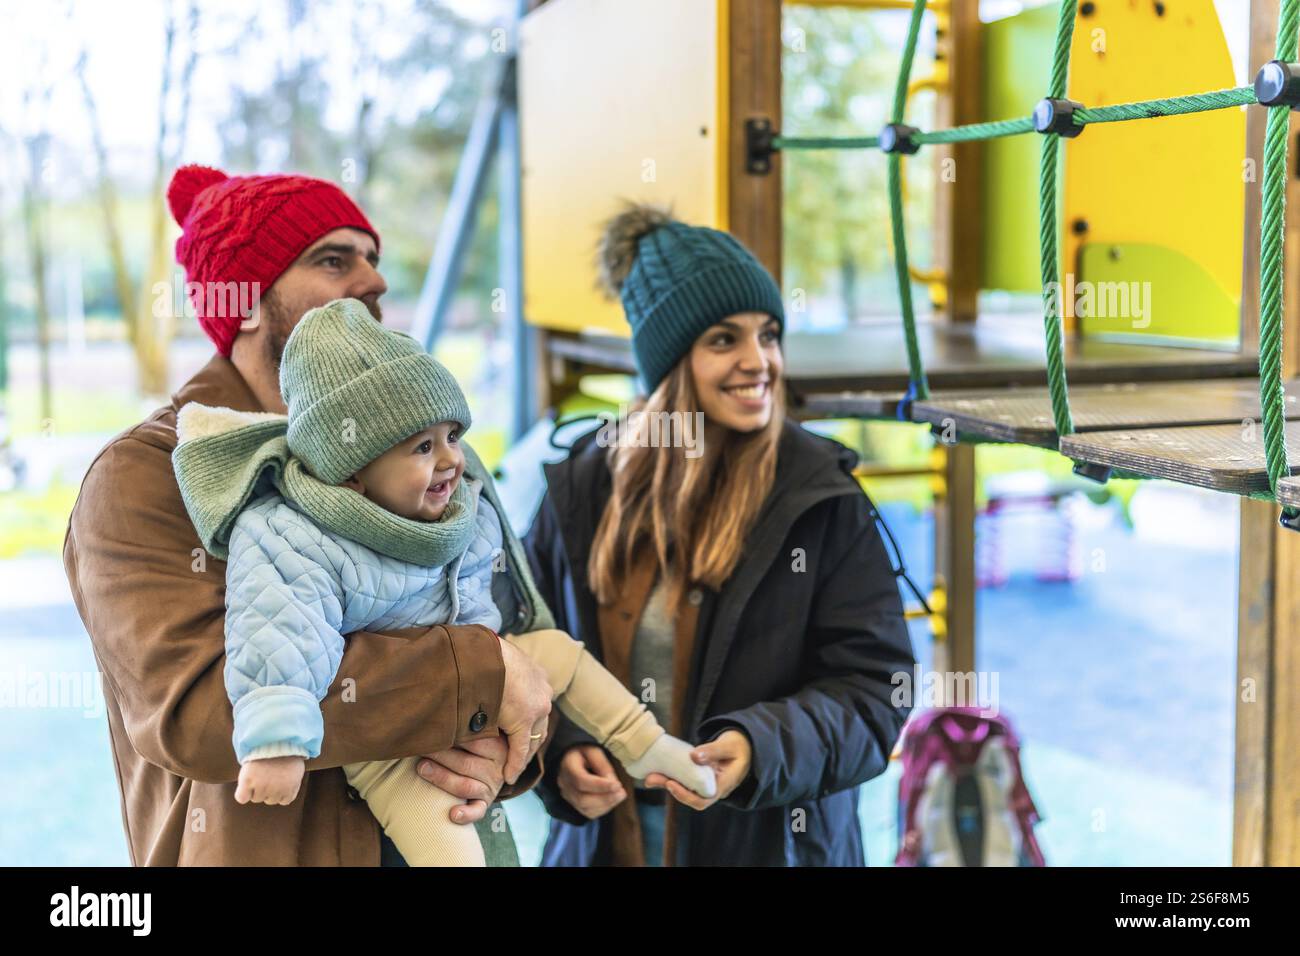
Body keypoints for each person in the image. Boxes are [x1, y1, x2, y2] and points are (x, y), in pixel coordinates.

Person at [62, 165, 553, 865]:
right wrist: (473, 674)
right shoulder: (144, 477)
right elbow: (201, 713)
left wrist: (501, 754)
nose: (374, 279)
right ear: (247, 302)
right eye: (333, 259)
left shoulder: (428, 447)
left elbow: (511, 640)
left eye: (373, 257)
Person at [170, 297, 718, 865]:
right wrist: (277, 744)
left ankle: (647, 746)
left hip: (478, 678)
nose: (453, 460)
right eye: (423, 447)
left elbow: (502, 614)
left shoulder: (460, 511)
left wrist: (501, 703)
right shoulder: (295, 534)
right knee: (449, 838)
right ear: (351, 470)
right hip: (389, 744)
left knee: (557, 651)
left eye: (453, 435)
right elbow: (280, 629)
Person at [524, 204, 917, 866]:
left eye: (768, 335)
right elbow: (524, 655)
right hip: (607, 847)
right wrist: (560, 750)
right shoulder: (584, 491)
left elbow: (876, 692)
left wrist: (761, 747)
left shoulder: (820, 498)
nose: (758, 361)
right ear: (671, 362)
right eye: (724, 339)